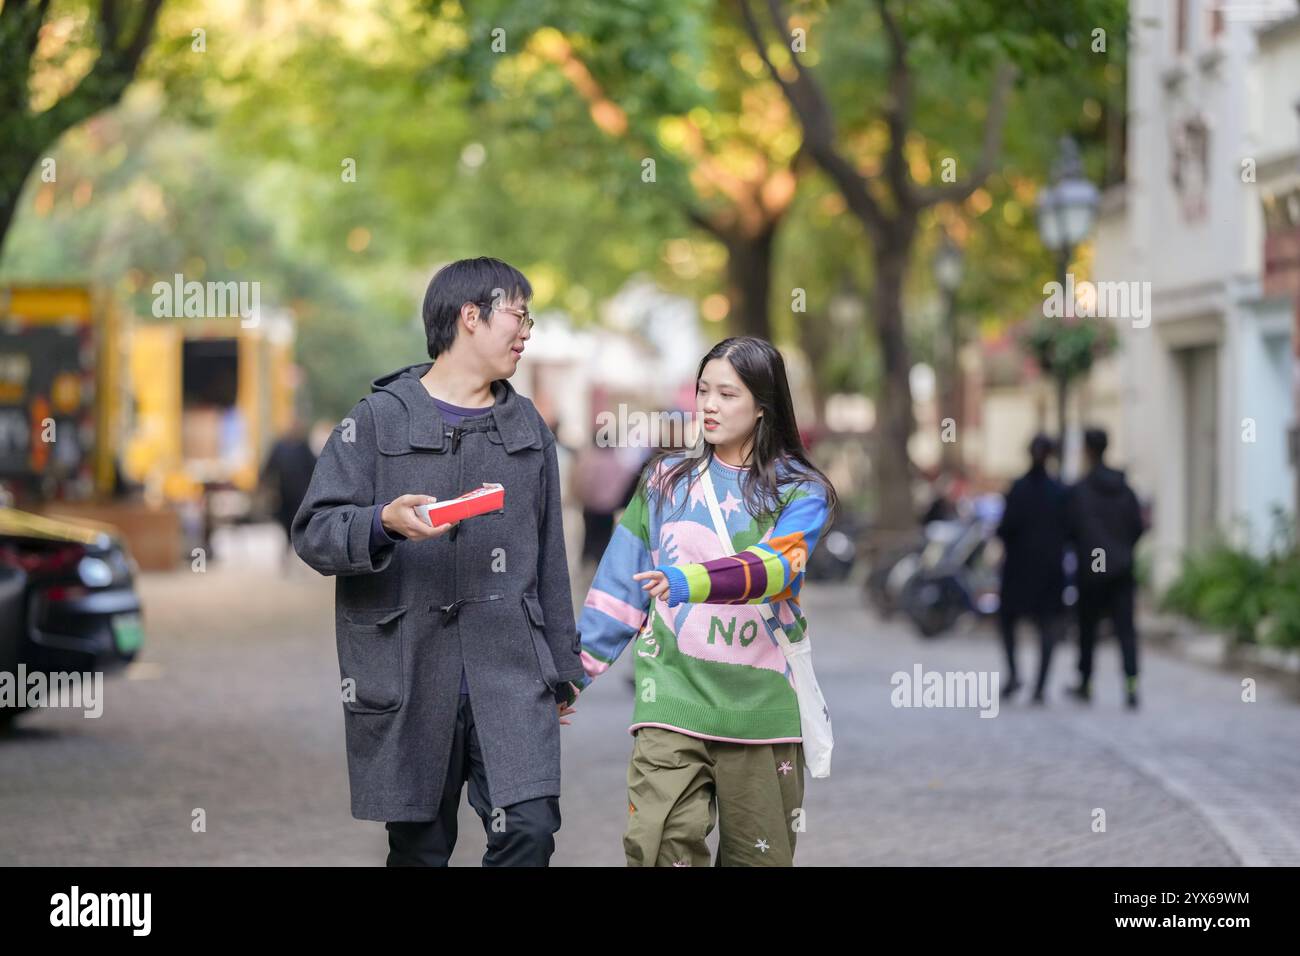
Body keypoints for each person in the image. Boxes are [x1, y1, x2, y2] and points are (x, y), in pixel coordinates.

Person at [292, 257, 583, 866]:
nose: (526, 331)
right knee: (419, 850)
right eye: (518, 314)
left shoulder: (527, 426)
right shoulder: (376, 420)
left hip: (509, 668)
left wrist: (560, 665)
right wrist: (380, 523)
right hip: (408, 665)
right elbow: (314, 531)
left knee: (529, 830)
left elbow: (550, 556)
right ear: (470, 317)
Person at [573, 336, 837, 866]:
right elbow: (621, 582)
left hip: (761, 712)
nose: (709, 405)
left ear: (763, 404)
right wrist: (571, 673)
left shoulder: (801, 491)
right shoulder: (665, 481)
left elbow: (777, 569)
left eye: (727, 394)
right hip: (672, 698)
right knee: (655, 848)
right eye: (703, 390)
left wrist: (686, 581)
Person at [1065, 427, 1145, 709]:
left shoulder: (1080, 491)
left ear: (1087, 450)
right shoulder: (1124, 489)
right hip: (1121, 569)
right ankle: (1131, 684)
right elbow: (1138, 526)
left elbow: (1070, 529)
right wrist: (1122, 551)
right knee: (1126, 630)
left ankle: (1086, 682)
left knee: (1088, 629)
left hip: (1092, 571)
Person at [995, 434, 1067, 703]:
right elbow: (1070, 530)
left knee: (1010, 622)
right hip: (1047, 569)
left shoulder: (1019, 488)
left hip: (1019, 569)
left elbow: (1004, 529)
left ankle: (1016, 676)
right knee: (1047, 627)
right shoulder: (1059, 491)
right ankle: (1038, 685)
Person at [260, 419, 317, 570]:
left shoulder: (303, 448)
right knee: (285, 526)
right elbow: (268, 467)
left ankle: (298, 554)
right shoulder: (279, 447)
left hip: (300, 496)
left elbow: (315, 467)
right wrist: (264, 486)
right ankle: (287, 552)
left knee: (297, 524)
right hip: (283, 495)